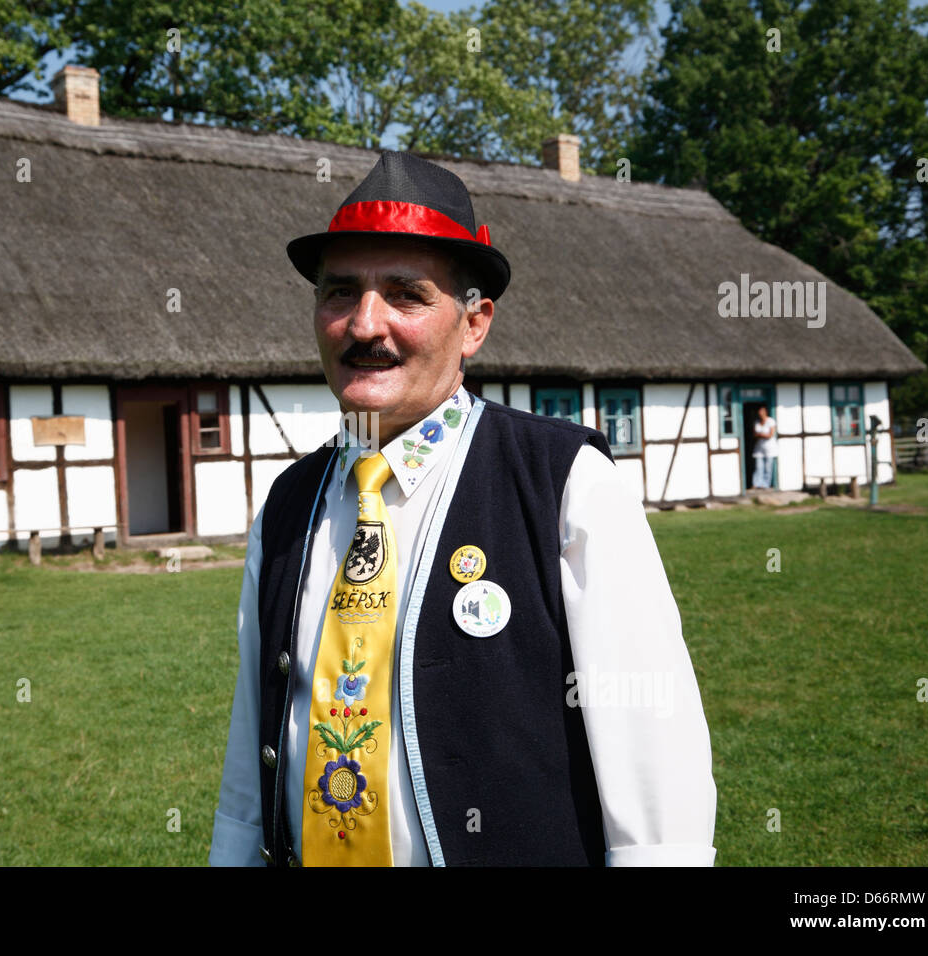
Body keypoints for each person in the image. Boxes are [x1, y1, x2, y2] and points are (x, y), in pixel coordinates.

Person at [208, 150, 716, 867]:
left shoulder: (566, 483)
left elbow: (655, 770)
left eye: (407, 295)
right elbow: (250, 755)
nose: (364, 325)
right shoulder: (290, 504)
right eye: (339, 293)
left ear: (474, 325)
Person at [752, 406, 778, 489]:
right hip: (759, 447)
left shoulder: (771, 421)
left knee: (768, 466)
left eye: (762, 411)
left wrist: (760, 434)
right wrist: (762, 435)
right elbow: (755, 434)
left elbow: (770, 435)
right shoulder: (757, 422)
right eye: (759, 411)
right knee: (758, 466)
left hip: (769, 448)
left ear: (765, 412)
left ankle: (765, 484)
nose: (760, 413)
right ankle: (757, 483)